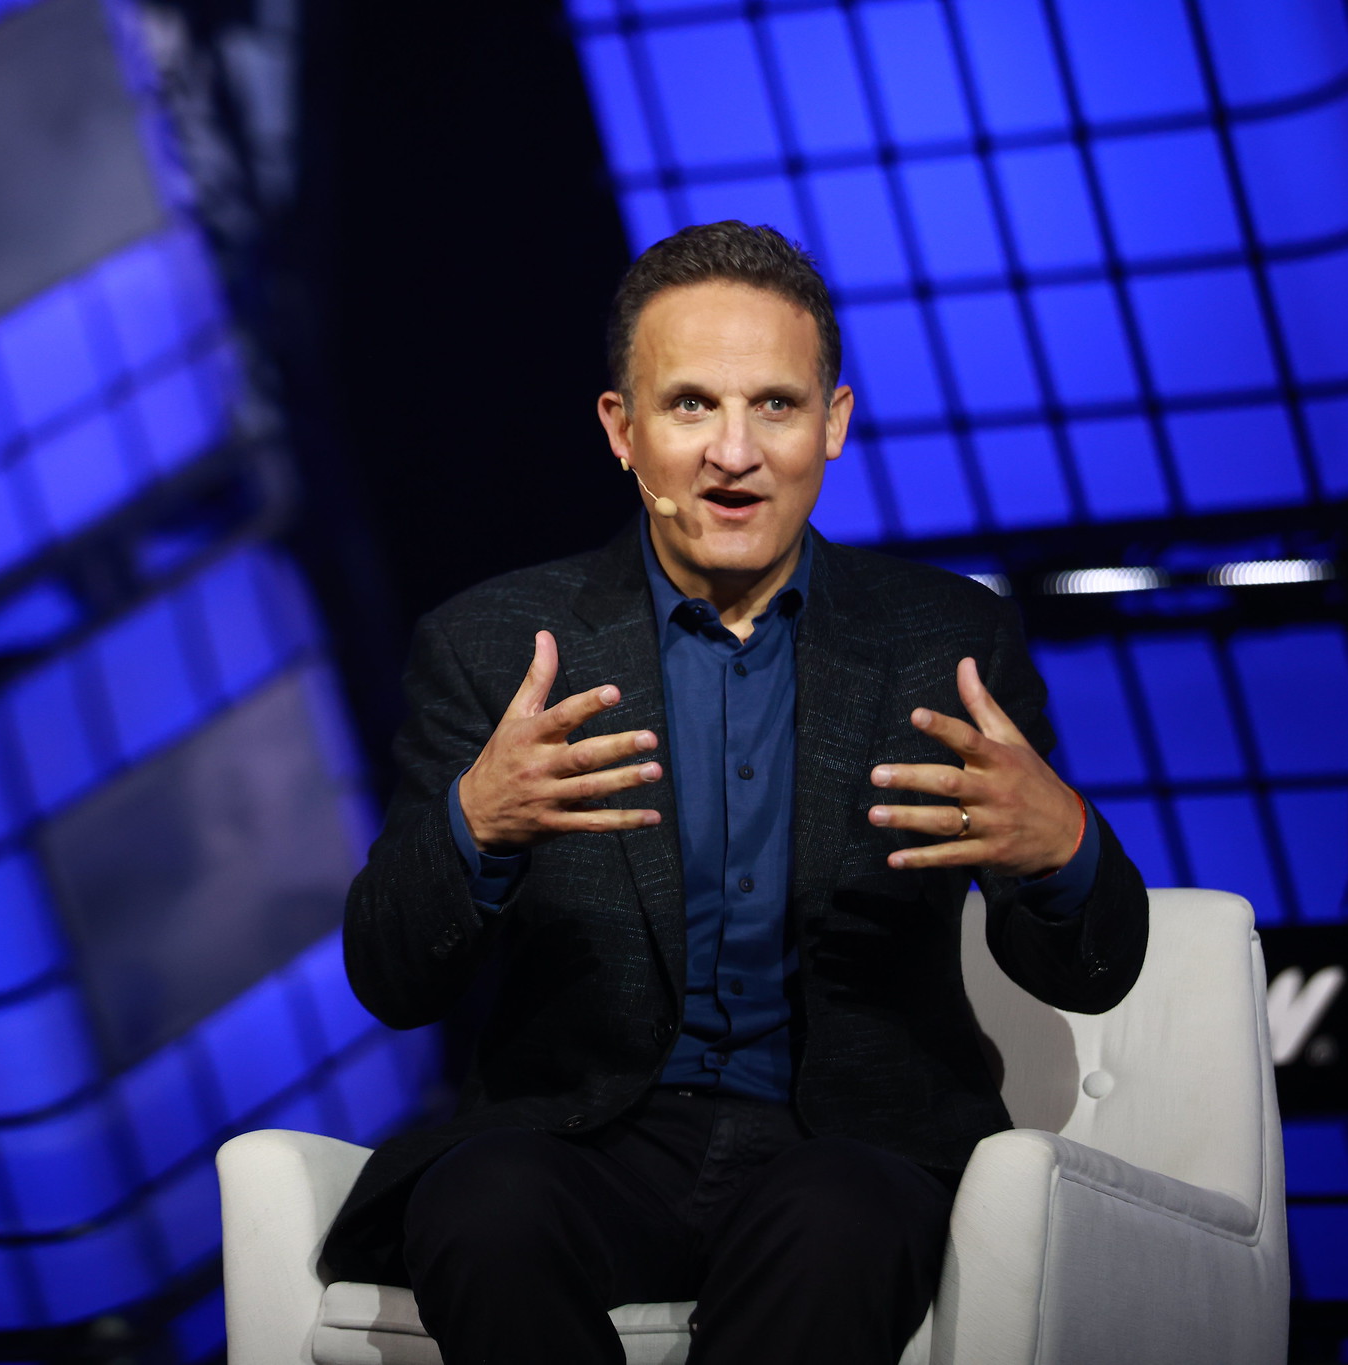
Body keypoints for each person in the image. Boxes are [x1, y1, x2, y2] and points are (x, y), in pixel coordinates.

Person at [323, 221, 1149, 1364]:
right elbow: (392, 976)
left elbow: (1089, 969)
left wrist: (1061, 849)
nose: (733, 453)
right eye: (690, 407)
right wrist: (474, 825)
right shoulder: (495, 644)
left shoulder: (944, 640)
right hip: (587, 1140)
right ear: (621, 431)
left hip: (846, 1146)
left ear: (833, 424)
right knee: (479, 1208)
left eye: (773, 405)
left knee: (838, 1220)